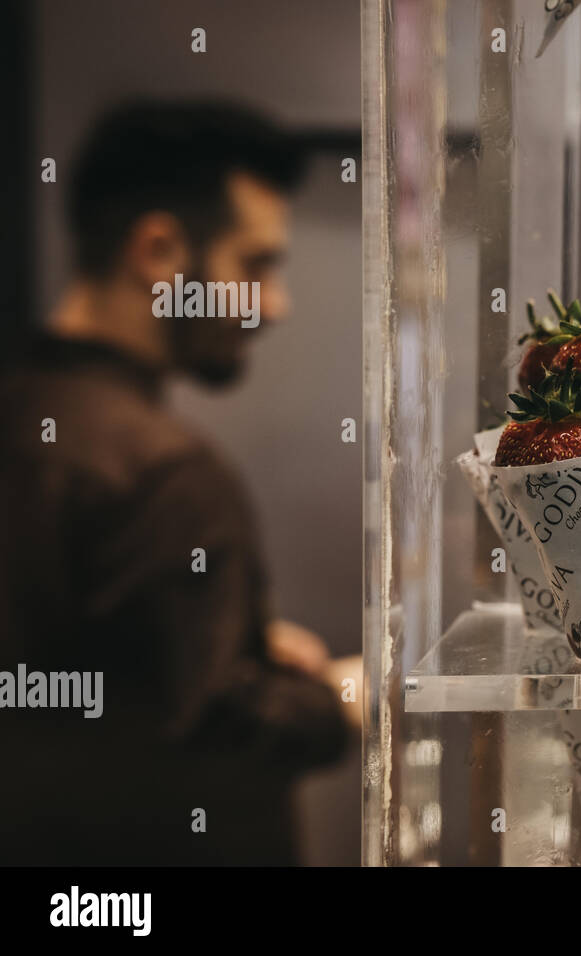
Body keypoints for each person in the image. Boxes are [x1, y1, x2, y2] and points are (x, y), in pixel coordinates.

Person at [0, 101, 352, 865]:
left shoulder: (28, 415)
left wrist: (236, 646)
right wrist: (342, 701)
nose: (275, 304)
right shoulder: (163, 472)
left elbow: (80, 683)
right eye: (255, 265)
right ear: (159, 249)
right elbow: (216, 727)